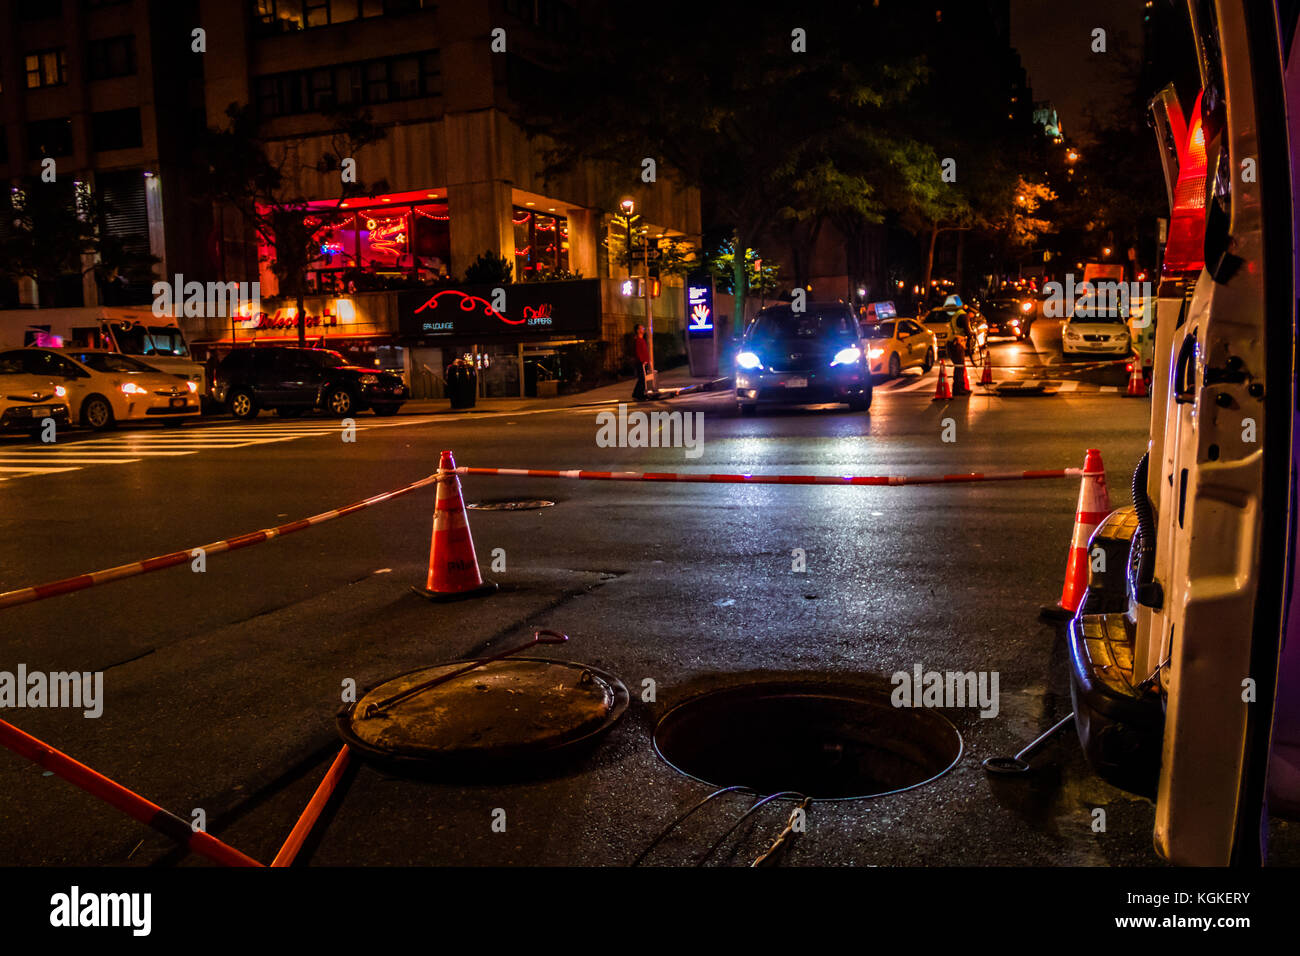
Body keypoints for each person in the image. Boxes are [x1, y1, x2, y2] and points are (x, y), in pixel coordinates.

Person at [632, 324, 650, 401]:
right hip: (641, 363)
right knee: (642, 379)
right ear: (638, 330)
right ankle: (639, 395)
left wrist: (648, 360)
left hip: (644, 362)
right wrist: (643, 361)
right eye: (641, 328)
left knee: (642, 379)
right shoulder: (638, 340)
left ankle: (637, 394)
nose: (643, 329)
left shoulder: (642, 340)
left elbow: (645, 351)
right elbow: (638, 352)